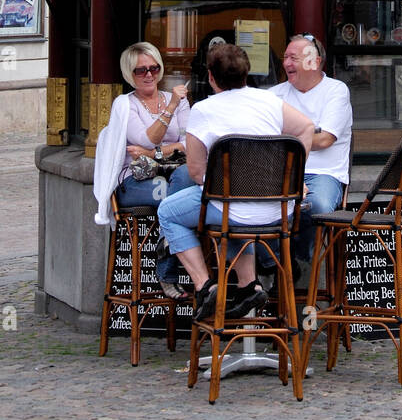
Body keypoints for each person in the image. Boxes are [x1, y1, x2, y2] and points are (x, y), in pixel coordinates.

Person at [156, 43, 314, 322]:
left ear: (211, 77)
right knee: (230, 212)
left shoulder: (204, 110)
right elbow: (305, 127)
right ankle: (248, 286)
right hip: (279, 209)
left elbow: (194, 171)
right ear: (246, 74)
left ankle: (205, 285)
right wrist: (295, 177)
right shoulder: (269, 101)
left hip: (231, 208)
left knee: (169, 212)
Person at [93, 41, 193, 298]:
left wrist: (153, 153)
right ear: (130, 74)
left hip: (172, 174)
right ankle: (168, 270)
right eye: (141, 71)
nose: (149, 75)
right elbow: (148, 137)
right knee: (179, 201)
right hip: (136, 180)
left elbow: (189, 143)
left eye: (153, 68)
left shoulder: (179, 101)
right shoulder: (125, 105)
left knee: (185, 178)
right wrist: (170, 108)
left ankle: (166, 244)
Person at [266, 34, 352, 267]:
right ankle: (272, 264)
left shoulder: (336, 90)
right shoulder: (273, 95)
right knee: (252, 207)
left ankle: (295, 262)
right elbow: (262, 139)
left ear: (314, 62)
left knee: (317, 207)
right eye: (285, 57)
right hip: (280, 174)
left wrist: (283, 136)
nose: (286, 64)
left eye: (293, 58)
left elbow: (324, 139)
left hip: (323, 174)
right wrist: (303, 134)